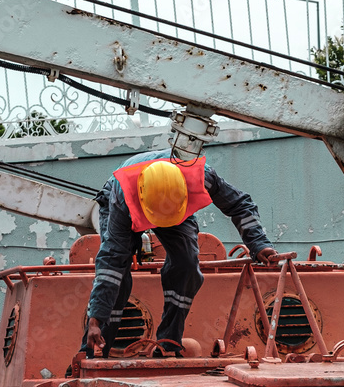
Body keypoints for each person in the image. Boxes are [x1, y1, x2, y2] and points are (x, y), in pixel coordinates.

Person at [84, 149, 277, 357]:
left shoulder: (202, 176)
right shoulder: (122, 197)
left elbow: (240, 204)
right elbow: (111, 263)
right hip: (129, 203)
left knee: (186, 265)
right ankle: (93, 351)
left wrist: (259, 244)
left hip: (174, 207)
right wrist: (95, 320)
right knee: (118, 277)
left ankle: (168, 342)